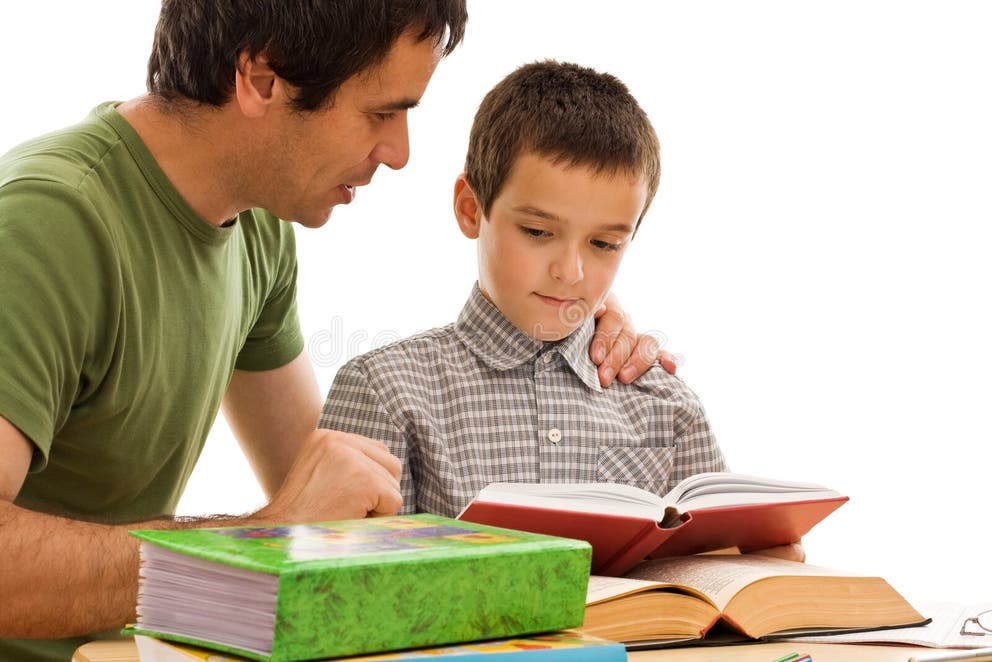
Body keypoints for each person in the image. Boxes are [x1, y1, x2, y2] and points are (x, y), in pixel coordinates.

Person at [0, 3, 672, 661]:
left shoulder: (255, 229)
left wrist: (564, 329)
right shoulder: (49, 225)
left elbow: (336, 500)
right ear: (262, 79)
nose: (401, 152)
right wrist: (255, 536)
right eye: (383, 112)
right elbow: (290, 520)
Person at [319, 61, 804, 560]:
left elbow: (714, 576)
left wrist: (759, 573)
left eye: (604, 243)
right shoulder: (387, 391)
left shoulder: (667, 406)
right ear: (470, 209)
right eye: (537, 232)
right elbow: (342, 593)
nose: (571, 271)